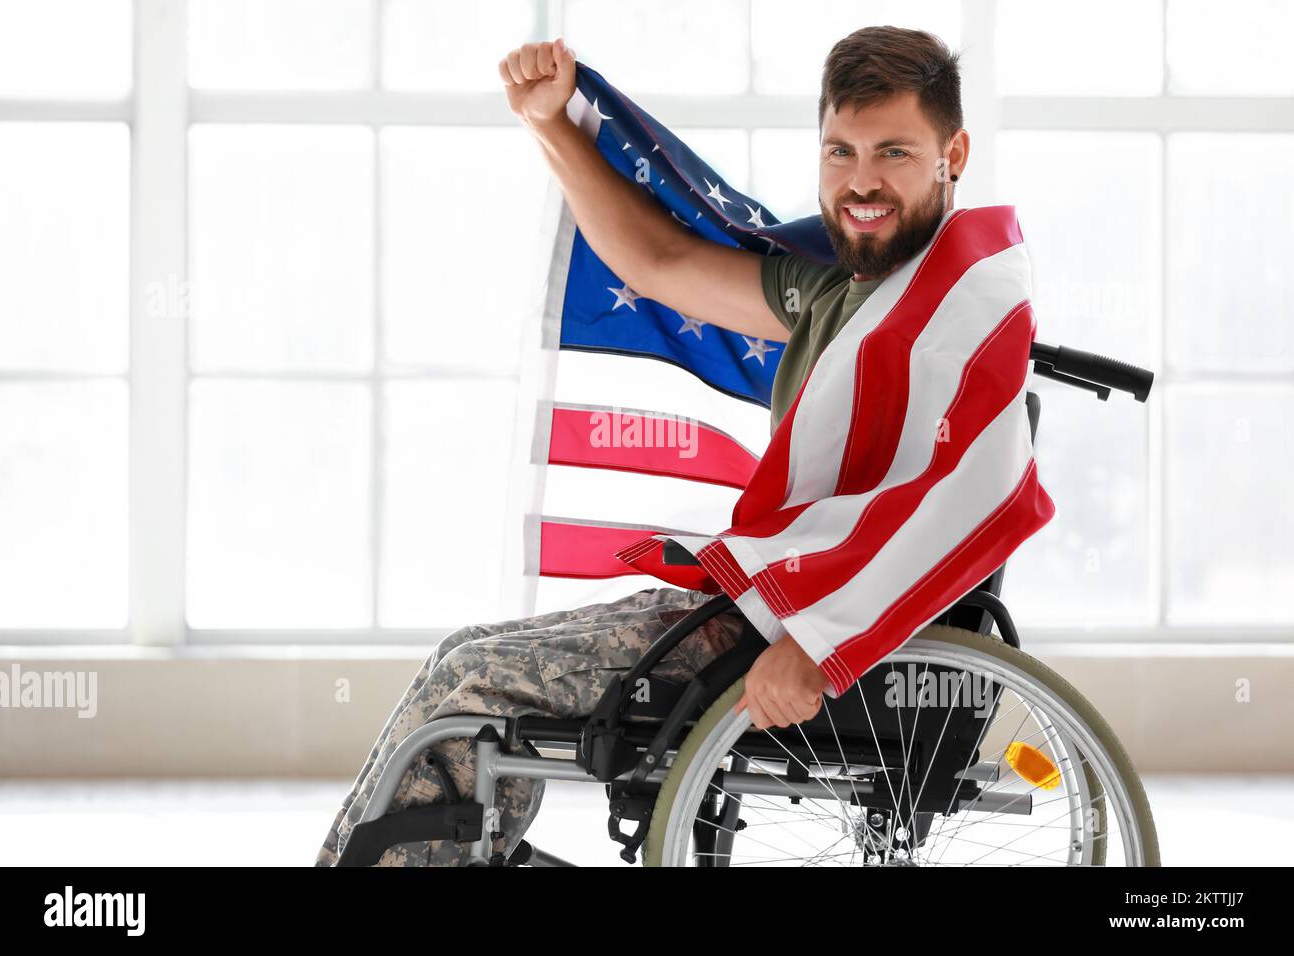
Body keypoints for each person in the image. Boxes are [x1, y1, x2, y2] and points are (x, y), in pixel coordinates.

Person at [315, 24, 970, 867]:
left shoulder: (948, 315)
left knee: (466, 686)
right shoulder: (844, 290)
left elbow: (948, 509)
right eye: (840, 151)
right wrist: (552, 124)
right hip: (767, 600)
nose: (861, 181)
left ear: (954, 153)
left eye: (893, 152)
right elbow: (660, 261)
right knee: (464, 654)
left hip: (800, 624)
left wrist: (817, 644)